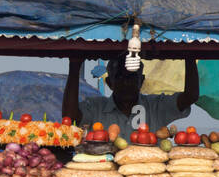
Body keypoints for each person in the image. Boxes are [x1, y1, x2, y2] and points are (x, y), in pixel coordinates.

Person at [62, 56, 200, 133]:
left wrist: (189, 57)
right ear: (110, 82)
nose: (127, 83)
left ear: (141, 81)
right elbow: (69, 118)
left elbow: (191, 96)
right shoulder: (95, 107)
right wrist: (74, 66)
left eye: (132, 77)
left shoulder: (156, 107)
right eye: (121, 77)